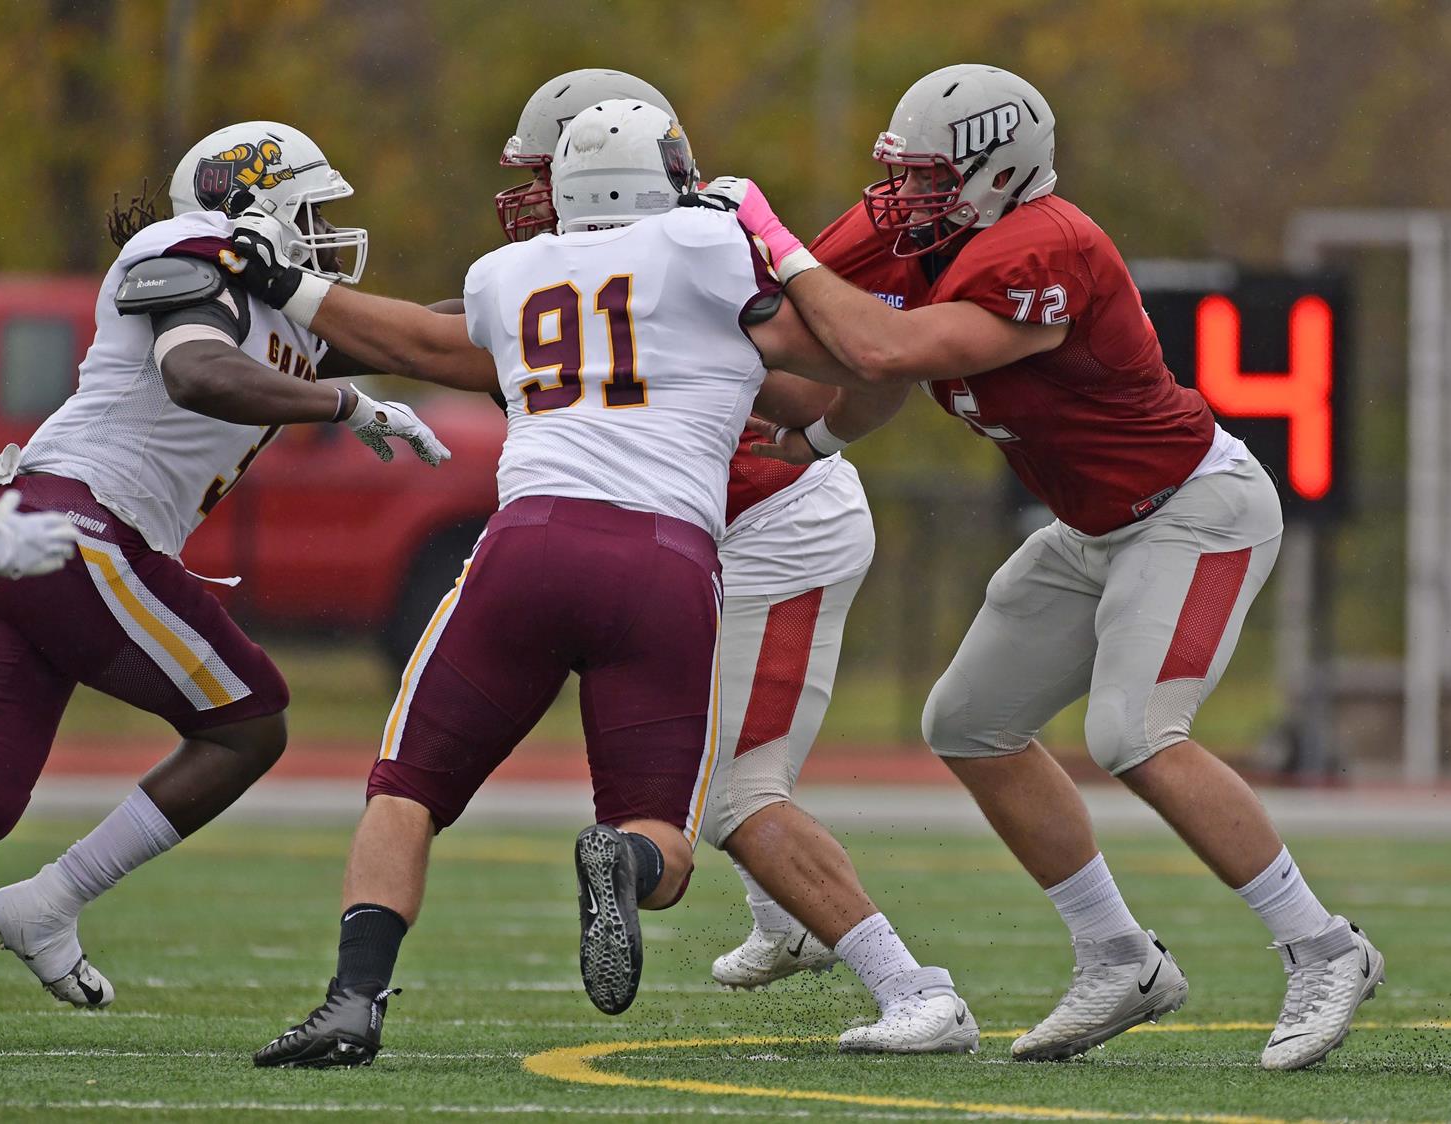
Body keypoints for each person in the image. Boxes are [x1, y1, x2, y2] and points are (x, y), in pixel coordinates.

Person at [232, 99, 972, 1067]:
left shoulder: (508, 275)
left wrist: (283, 283)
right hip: (664, 561)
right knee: (666, 832)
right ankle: (623, 858)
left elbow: (413, 340)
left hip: (527, 545)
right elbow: (867, 362)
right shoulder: (708, 246)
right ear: (673, 177)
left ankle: (351, 1001)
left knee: (405, 787)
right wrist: (813, 387)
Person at [701, 63, 1381, 1072]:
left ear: (999, 170)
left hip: (1195, 509)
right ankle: (1118, 955)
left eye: (930, 177)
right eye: (904, 174)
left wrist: (773, 238)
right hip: (1091, 528)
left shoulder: (1046, 245)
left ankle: (1323, 946)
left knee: (1133, 733)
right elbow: (841, 356)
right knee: (968, 721)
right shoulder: (925, 233)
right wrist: (799, 418)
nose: (905, 196)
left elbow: (885, 350)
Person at [488, 68, 964, 1052]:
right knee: (704, 773)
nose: (530, 195)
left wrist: (809, 430)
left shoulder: (701, 248)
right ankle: (787, 919)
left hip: (778, 525)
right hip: (704, 539)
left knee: (730, 790)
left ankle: (917, 990)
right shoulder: (608, 260)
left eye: (542, 171)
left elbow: (837, 374)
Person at [0, 122, 447, 1011]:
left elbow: (425, 335)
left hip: (37, 533)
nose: (322, 231)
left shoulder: (276, 305)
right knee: (250, 719)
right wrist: (344, 404)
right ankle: (50, 901)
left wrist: (543, 289)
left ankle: (43, 906)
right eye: (310, 210)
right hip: (81, 524)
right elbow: (197, 371)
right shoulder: (188, 250)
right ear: (252, 206)